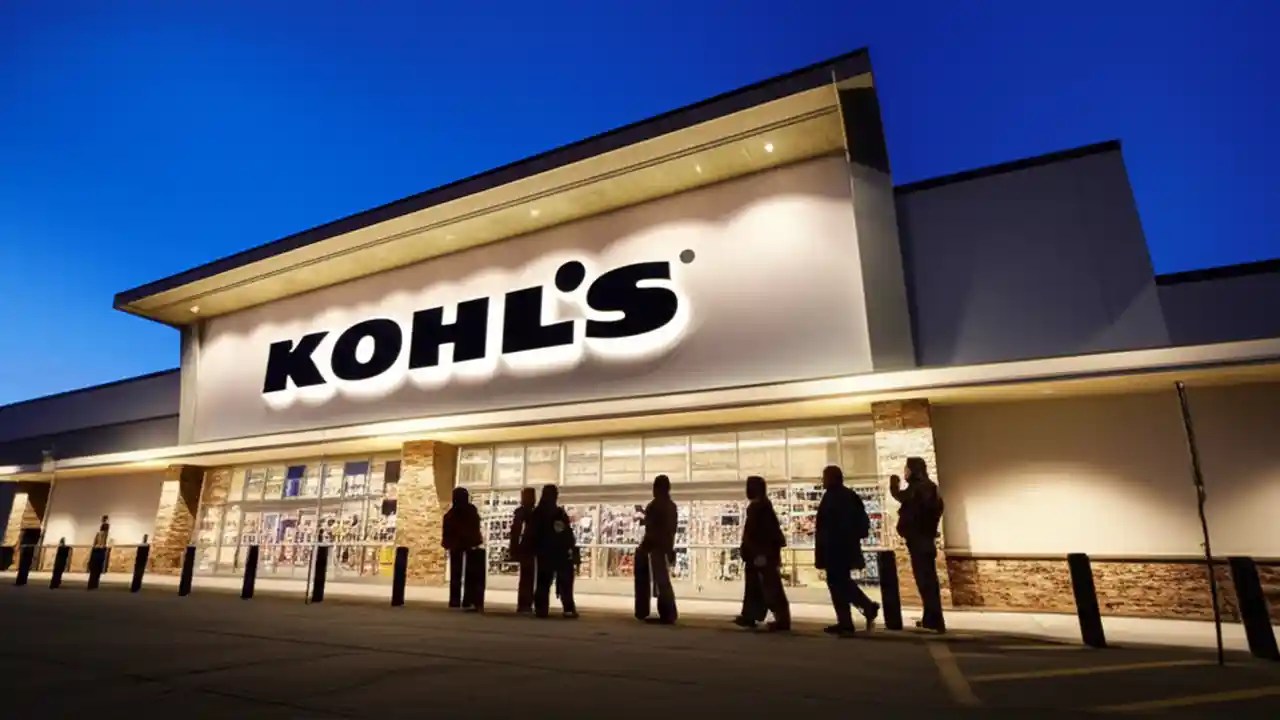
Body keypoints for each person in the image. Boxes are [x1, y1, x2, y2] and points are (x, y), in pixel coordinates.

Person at [816, 465, 880, 636]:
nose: (822, 480)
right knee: (840, 582)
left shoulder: (835, 497)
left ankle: (860, 611)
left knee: (838, 582)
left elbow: (829, 526)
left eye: (824, 477)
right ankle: (847, 619)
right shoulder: (846, 496)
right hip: (841, 547)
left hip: (836, 548)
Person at [891, 456, 946, 633]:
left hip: (920, 540)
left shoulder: (921, 488)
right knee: (927, 581)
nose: (905, 472)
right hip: (923, 540)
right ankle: (931, 618)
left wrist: (894, 487)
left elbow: (905, 498)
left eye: (906, 469)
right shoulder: (928, 488)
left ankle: (934, 620)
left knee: (926, 581)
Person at [738, 475, 790, 631]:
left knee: (769, 586)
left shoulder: (760, 507)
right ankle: (751, 615)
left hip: (761, 553)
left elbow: (759, 533)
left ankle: (781, 619)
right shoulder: (761, 506)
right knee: (758, 586)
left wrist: (757, 551)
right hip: (760, 552)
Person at [526, 484, 578, 618]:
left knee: (543, 582)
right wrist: (570, 548)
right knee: (564, 582)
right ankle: (568, 608)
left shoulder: (538, 513)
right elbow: (566, 533)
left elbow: (531, 533)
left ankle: (541, 609)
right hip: (559, 552)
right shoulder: (558, 513)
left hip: (544, 552)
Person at [638, 474, 678, 623]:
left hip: (656, 547)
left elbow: (652, 529)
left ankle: (668, 612)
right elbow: (671, 529)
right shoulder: (671, 506)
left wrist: (644, 546)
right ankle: (668, 611)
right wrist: (670, 548)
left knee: (660, 580)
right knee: (663, 580)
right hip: (666, 545)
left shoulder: (654, 506)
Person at [441, 487, 484, 610]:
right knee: (468, 574)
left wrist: (447, 541)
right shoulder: (470, 511)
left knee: (456, 574)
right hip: (468, 544)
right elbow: (475, 525)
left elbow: (448, 528)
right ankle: (467, 599)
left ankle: (455, 600)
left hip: (458, 544)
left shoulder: (452, 513)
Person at [509, 487, 537, 614]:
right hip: (530, 547)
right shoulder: (533, 512)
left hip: (527, 547)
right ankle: (526, 603)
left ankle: (525, 603)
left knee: (527, 577)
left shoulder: (523, 512)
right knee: (529, 577)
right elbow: (516, 531)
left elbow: (515, 531)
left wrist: (514, 548)